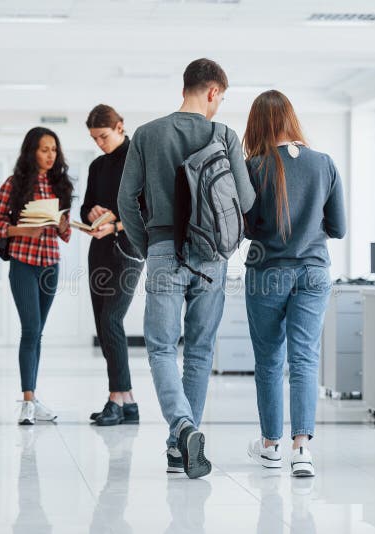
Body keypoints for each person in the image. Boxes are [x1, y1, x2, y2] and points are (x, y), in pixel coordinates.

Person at [118, 58, 256, 479]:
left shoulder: (146, 134)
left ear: (187, 87)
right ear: (212, 92)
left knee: (160, 348)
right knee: (199, 352)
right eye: (221, 97)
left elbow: (127, 201)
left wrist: (151, 247)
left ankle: (181, 429)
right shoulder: (224, 135)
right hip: (211, 257)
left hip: (163, 250)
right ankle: (180, 447)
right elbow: (246, 203)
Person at [242, 90, 346, 477]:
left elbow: (245, 227)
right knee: (304, 358)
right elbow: (339, 228)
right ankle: (302, 450)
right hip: (314, 272)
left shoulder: (253, 167)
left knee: (269, 360)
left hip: (267, 271)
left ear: (256, 125)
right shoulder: (324, 164)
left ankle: (270, 446)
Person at [0, 126, 73, 425]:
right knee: (30, 329)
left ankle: (33, 397)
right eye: (43, 149)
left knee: (38, 333)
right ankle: (27, 400)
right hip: (23, 262)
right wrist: (23, 229)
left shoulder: (60, 185)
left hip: (50, 264)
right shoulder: (14, 184)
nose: (50, 155)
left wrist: (64, 227)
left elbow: (62, 235)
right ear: (31, 152)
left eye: (53, 149)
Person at [80, 104, 145, 426]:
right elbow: (84, 208)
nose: (99, 143)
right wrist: (90, 214)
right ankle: (127, 400)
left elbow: (149, 211)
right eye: (94, 138)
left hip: (128, 249)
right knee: (102, 324)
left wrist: (117, 225)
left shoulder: (140, 161)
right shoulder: (97, 166)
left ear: (120, 126)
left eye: (103, 136)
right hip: (99, 250)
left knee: (111, 319)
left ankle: (116, 397)